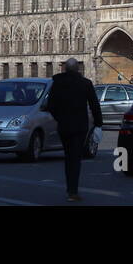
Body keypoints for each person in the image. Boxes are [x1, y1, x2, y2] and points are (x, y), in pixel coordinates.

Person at [46, 58, 103, 202]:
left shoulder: (57, 83)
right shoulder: (85, 84)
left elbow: (50, 105)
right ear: (78, 69)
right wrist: (98, 124)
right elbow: (94, 105)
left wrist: (60, 118)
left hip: (64, 126)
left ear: (65, 68)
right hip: (79, 126)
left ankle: (70, 189)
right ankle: (73, 191)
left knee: (68, 157)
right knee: (75, 158)